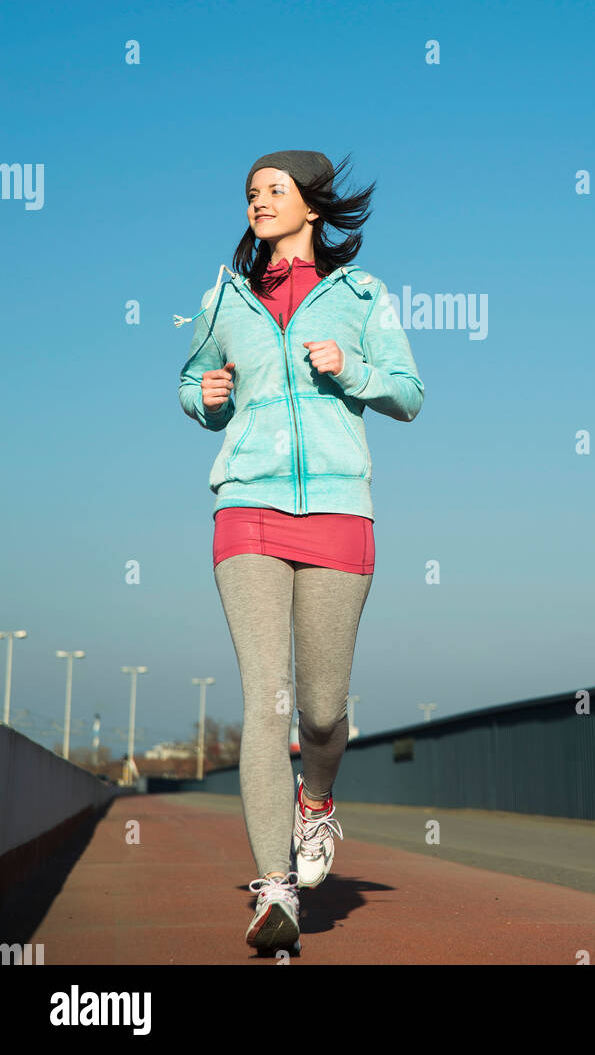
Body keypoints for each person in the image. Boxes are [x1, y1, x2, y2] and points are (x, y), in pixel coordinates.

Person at [175, 150, 424, 953]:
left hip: (339, 513)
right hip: (246, 506)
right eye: (249, 192)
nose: (258, 202)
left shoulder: (359, 297)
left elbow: (408, 394)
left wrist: (350, 368)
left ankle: (316, 801)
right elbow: (191, 382)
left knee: (320, 711)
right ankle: (273, 885)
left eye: (274, 191)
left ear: (312, 206)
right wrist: (204, 398)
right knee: (266, 702)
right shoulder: (225, 297)